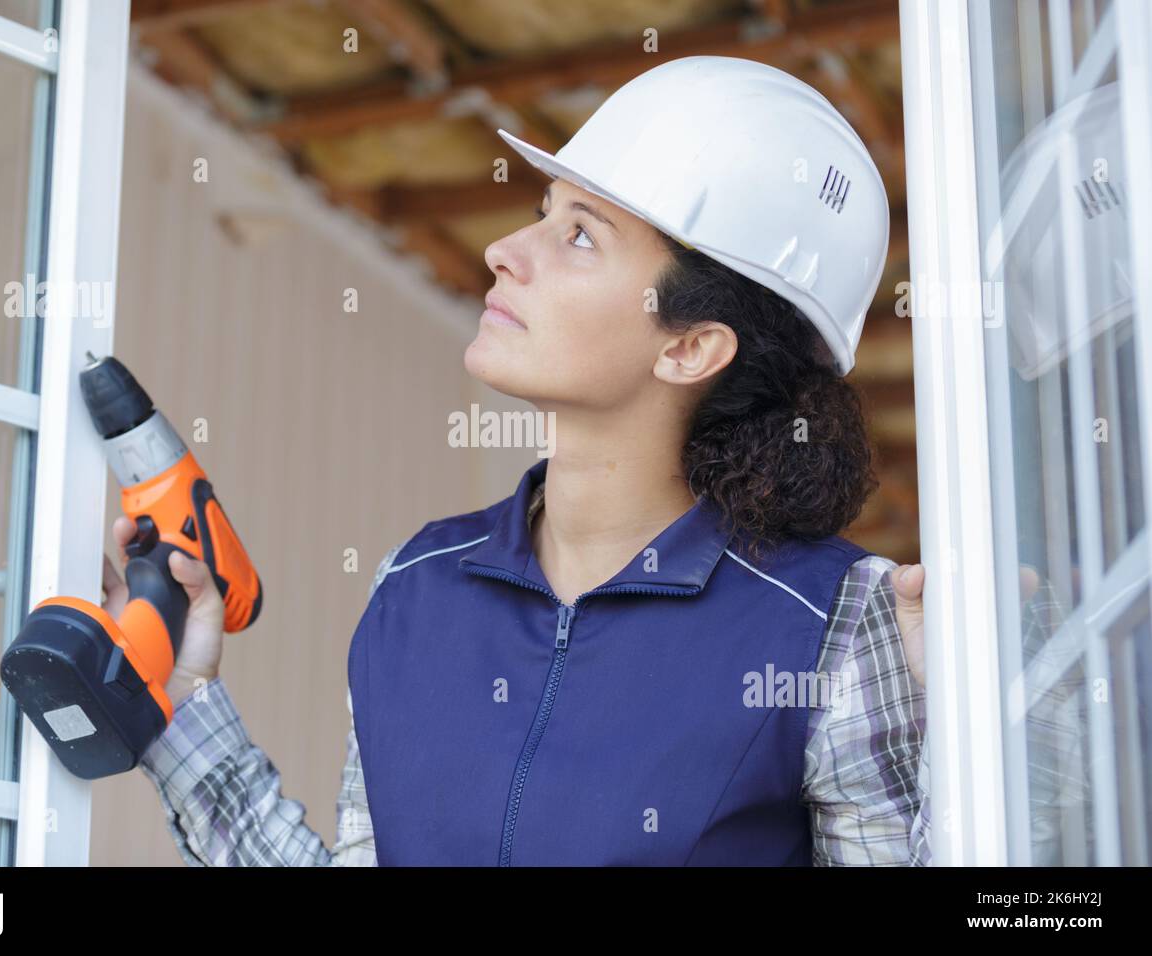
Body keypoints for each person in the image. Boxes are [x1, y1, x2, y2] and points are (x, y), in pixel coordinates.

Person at [123, 56, 934, 866]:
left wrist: (1024, 726)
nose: (505, 249)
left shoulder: (835, 624)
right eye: (544, 212)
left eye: (580, 234)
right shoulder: (420, 583)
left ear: (690, 347)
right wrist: (187, 697)